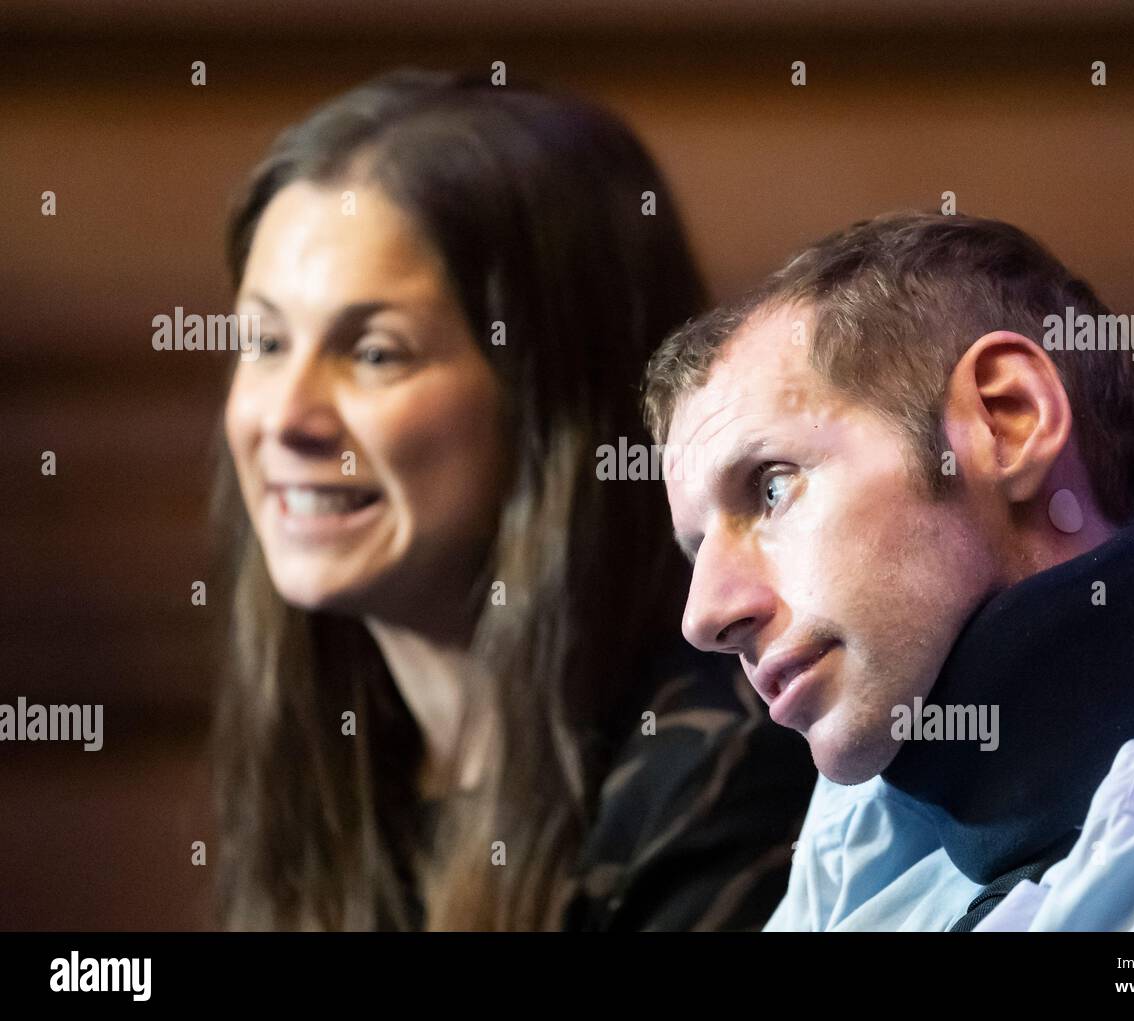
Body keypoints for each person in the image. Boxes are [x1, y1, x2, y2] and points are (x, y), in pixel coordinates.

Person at [212, 68, 815, 931]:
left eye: (375, 353)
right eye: (265, 341)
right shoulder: (343, 753)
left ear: (555, 399)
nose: (285, 416)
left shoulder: (724, 772)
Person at [642, 210, 1134, 931]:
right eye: (696, 547)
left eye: (770, 487)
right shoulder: (857, 826)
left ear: (1006, 419)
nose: (703, 614)